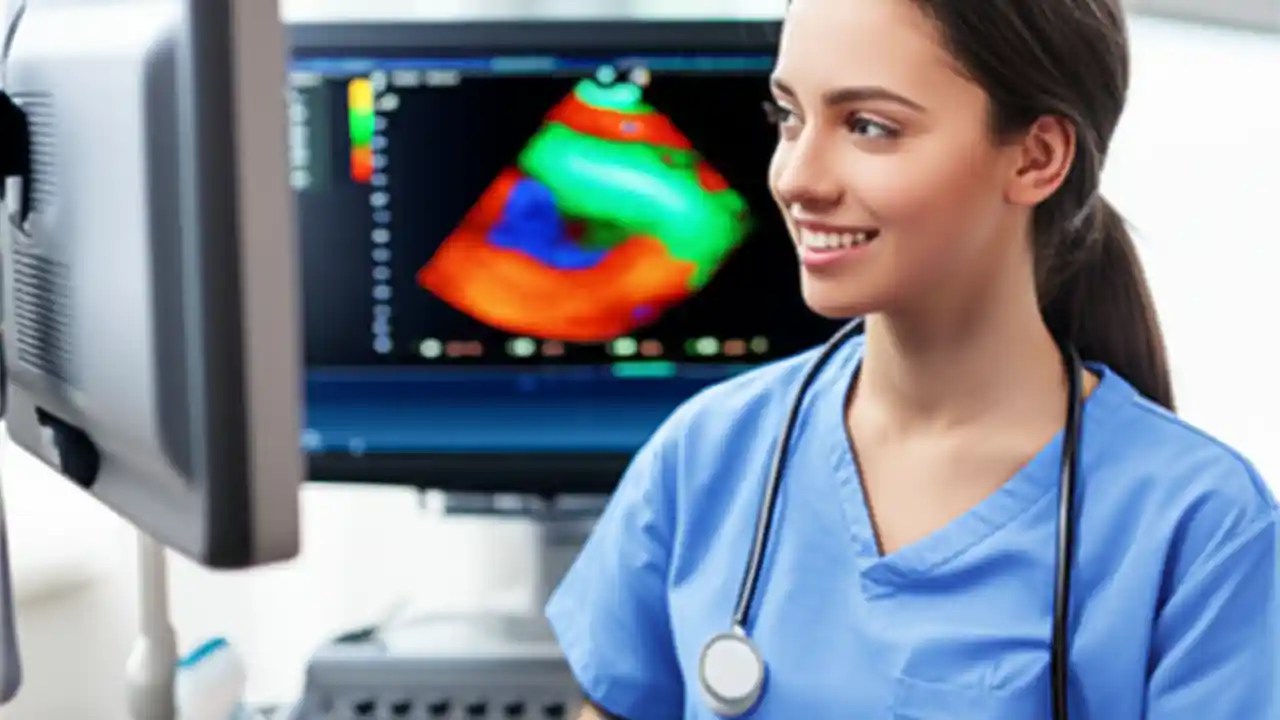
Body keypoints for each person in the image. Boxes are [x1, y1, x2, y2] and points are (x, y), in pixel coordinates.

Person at [545, 0, 1280, 717]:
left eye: (869, 127)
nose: (797, 178)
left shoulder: (1203, 529)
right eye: (787, 117)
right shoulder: (706, 457)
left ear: (1037, 156)